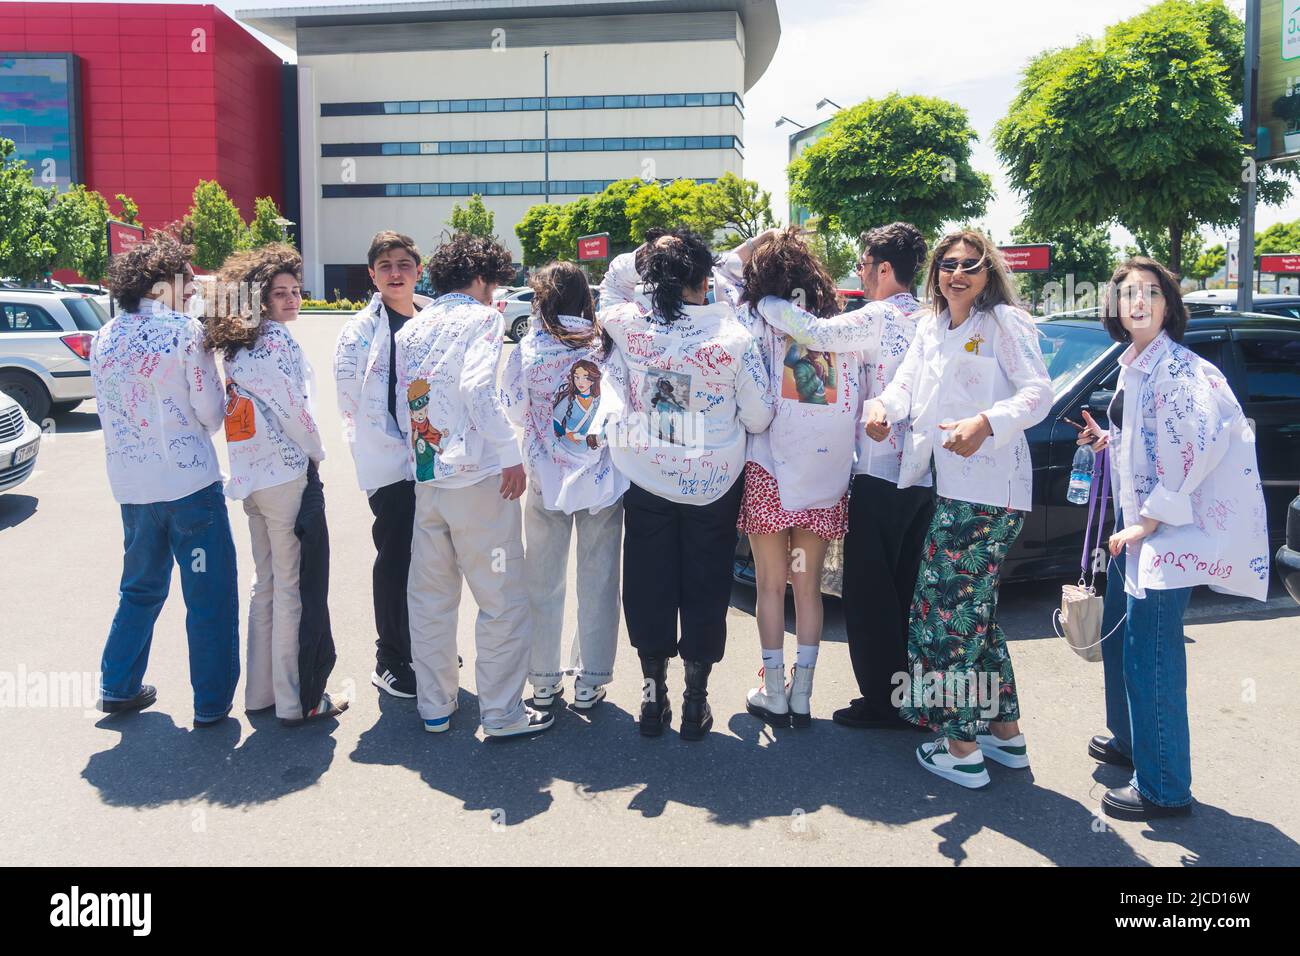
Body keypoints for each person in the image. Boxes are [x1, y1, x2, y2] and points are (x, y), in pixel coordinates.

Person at [1076, 257, 1269, 820]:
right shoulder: (1136, 361)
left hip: (1167, 537)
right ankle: (1133, 742)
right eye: (1128, 293)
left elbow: (1197, 446)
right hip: (1139, 529)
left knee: (1151, 655)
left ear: (1168, 305)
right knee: (1119, 639)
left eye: (1151, 293)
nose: (1138, 301)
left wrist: (1149, 521)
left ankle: (1164, 787)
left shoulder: (1178, 369)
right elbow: (1154, 439)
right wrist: (1109, 444)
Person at [865, 230, 1051, 789]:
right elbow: (903, 388)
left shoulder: (1004, 323)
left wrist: (987, 422)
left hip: (991, 491)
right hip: (950, 486)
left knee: (942, 617)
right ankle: (1004, 735)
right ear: (936, 272)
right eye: (949, 264)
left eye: (972, 264)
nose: (958, 273)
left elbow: (1039, 393)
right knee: (977, 617)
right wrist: (880, 408)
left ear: (989, 273)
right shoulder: (929, 325)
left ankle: (960, 749)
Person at [746, 222, 931, 730]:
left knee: (869, 595)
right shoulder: (931, 319)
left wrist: (763, 300)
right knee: (904, 591)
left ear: (884, 268)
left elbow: (817, 333)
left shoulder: (876, 316)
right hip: (923, 476)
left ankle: (879, 702)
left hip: (876, 470)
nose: (860, 273)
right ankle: (836, 694)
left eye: (865, 264)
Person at [599, 229, 774, 740]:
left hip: (648, 476)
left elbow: (611, 285)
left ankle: (653, 698)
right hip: (712, 483)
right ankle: (696, 701)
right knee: (705, 582)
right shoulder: (733, 339)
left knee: (649, 579)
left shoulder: (632, 328)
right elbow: (761, 417)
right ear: (706, 281)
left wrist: (651, 255)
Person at [395, 232, 552, 737]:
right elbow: (477, 389)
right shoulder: (483, 318)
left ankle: (435, 705)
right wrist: (510, 455)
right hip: (479, 480)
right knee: (501, 599)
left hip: (428, 475)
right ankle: (502, 713)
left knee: (431, 598)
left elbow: (408, 402)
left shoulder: (413, 329)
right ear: (482, 278)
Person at [90, 232, 239, 727]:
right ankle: (211, 703)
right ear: (163, 285)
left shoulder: (104, 335)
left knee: (140, 587)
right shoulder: (183, 332)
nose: (193, 293)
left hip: (131, 486)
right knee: (208, 596)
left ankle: (118, 683)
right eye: (188, 285)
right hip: (188, 484)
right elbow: (211, 412)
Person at [711, 227, 856, 728]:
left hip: (767, 468)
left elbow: (718, 273)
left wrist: (755, 245)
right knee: (808, 587)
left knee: (771, 587)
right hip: (823, 474)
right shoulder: (833, 327)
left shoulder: (751, 319)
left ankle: (773, 693)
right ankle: (804, 694)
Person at [207, 244, 347, 726]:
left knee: (264, 584)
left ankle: (260, 694)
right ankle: (295, 701)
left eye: (295, 291)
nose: (291, 300)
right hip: (284, 476)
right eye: (280, 293)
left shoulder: (240, 343)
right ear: (259, 299)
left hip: (249, 479)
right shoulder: (276, 342)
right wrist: (317, 450)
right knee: (291, 588)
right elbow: (296, 411)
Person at [502, 260, 629, 711]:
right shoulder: (607, 345)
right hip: (601, 482)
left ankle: (542, 678)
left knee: (542, 580)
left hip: (546, 479)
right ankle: (590, 679)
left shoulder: (529, 345)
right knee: (598, 580)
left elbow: (512, 407)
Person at [334, 232, 431, 699]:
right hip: (391, 465)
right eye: (386, 266)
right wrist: (397, 446)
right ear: (372, 275)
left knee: (430, 560)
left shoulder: (431, 317)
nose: (396, 273)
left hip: (431, 463)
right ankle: (390, 658)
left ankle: (420, 645)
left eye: (404, 264)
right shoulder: (359, 330)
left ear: (418, 268)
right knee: (396, 558)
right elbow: (351, 399)